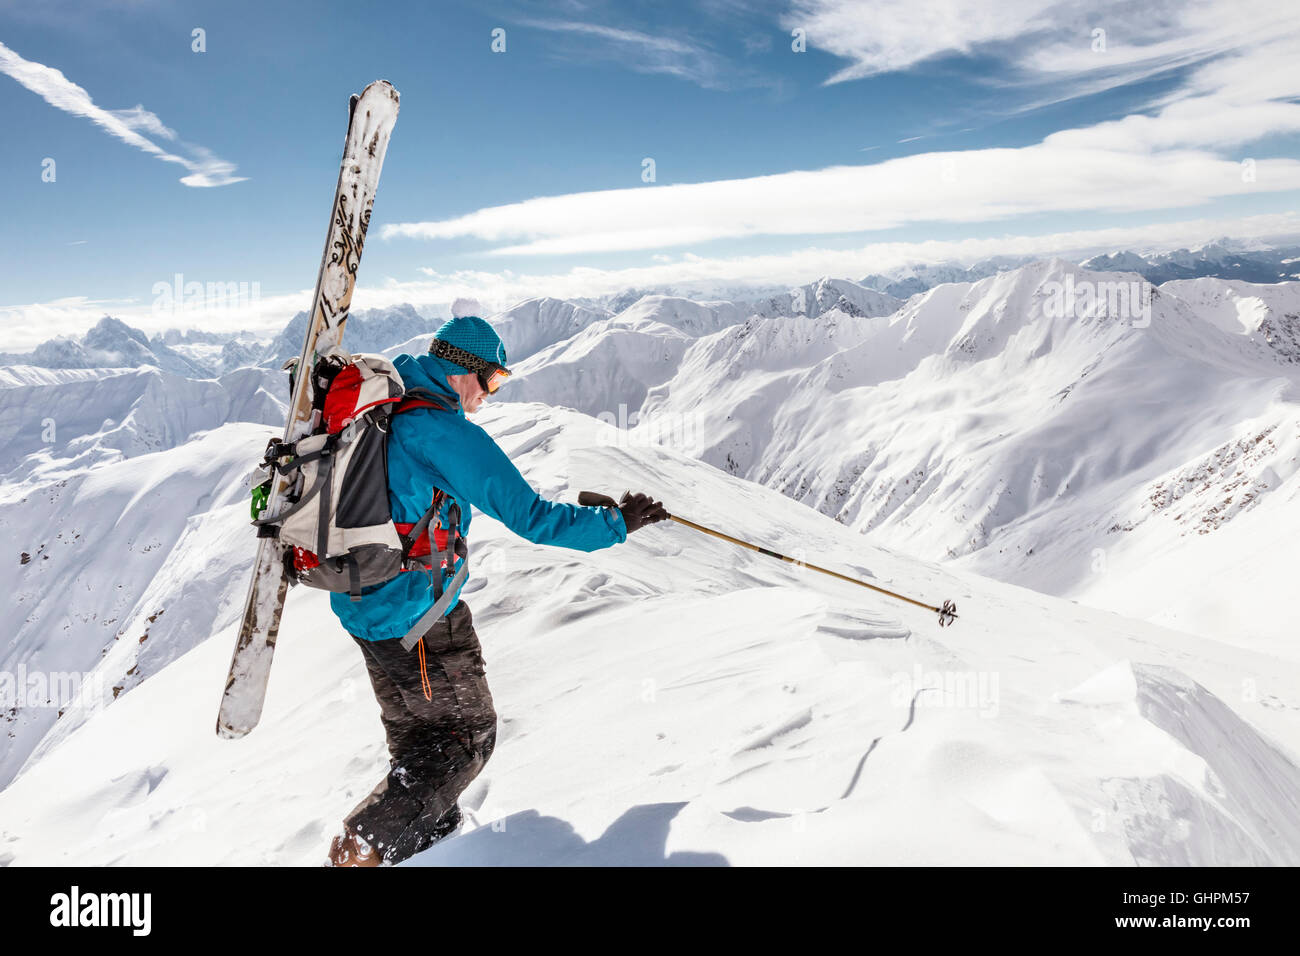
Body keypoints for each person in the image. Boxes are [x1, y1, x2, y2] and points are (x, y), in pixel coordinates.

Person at [326, 307, 667, 866]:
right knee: (468, 739)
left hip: (365, 606)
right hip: (422, 619)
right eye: (495, 378)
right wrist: (616, 524)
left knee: (420, 746)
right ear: (466, 368)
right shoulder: (440, 429)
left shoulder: (385, 412)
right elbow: (530, 516)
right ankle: (356, 851)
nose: (492, 392)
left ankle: (425, 848)